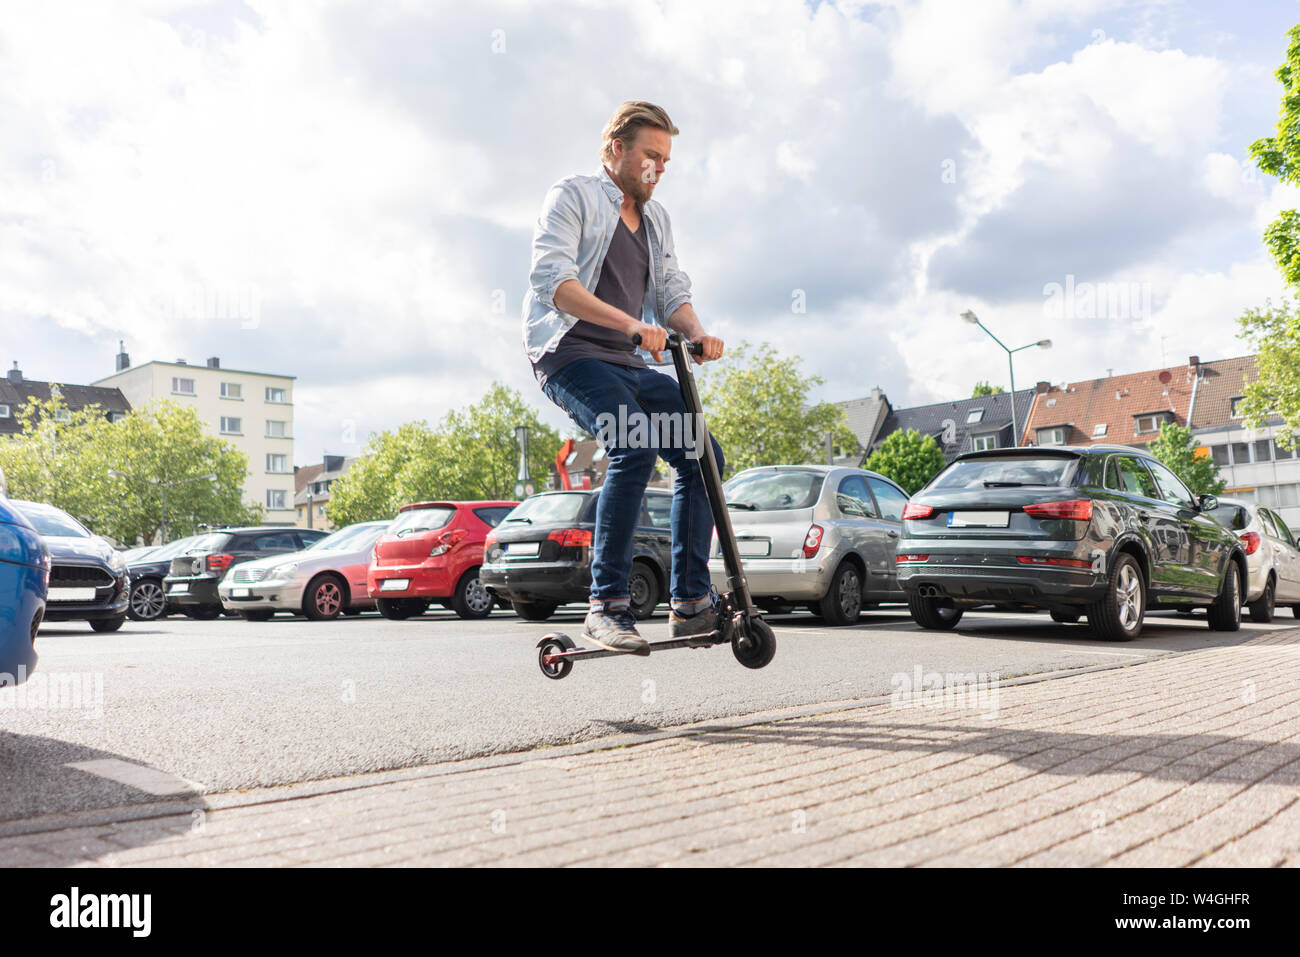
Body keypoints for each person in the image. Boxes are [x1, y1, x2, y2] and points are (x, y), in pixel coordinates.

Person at [523, 100, 726, 656]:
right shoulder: (575, 196)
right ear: (618, 149)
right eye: (650, 157)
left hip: (630, 361)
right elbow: (553, 283)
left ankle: (690, 602)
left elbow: (671, 293)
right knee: (633, 444)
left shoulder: (657, 220)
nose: (657, 170)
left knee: (703, 454)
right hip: (571, 354)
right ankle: (606, 606)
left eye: (665, 161)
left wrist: (696, 331)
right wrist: (632, 325)